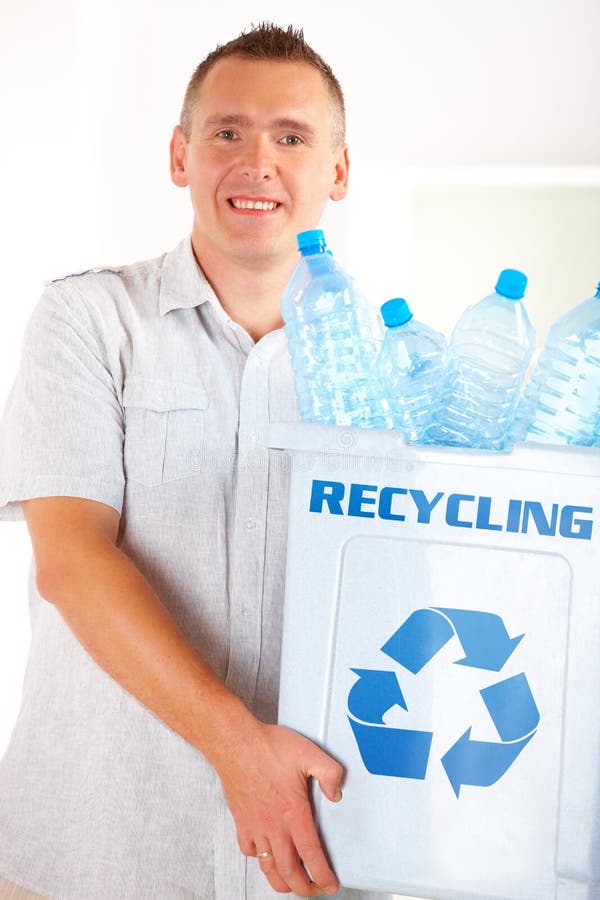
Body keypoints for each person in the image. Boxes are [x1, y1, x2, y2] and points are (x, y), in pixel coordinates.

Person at [0, 22, 391, 900]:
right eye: (227, 131)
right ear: (180, 156)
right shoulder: (89, 321)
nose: (257, 162)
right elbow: (72, 561)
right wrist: (240, 751)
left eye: (291, 137)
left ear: (337, 171)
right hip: (96, 849)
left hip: (315, 850)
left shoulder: (388, 369)